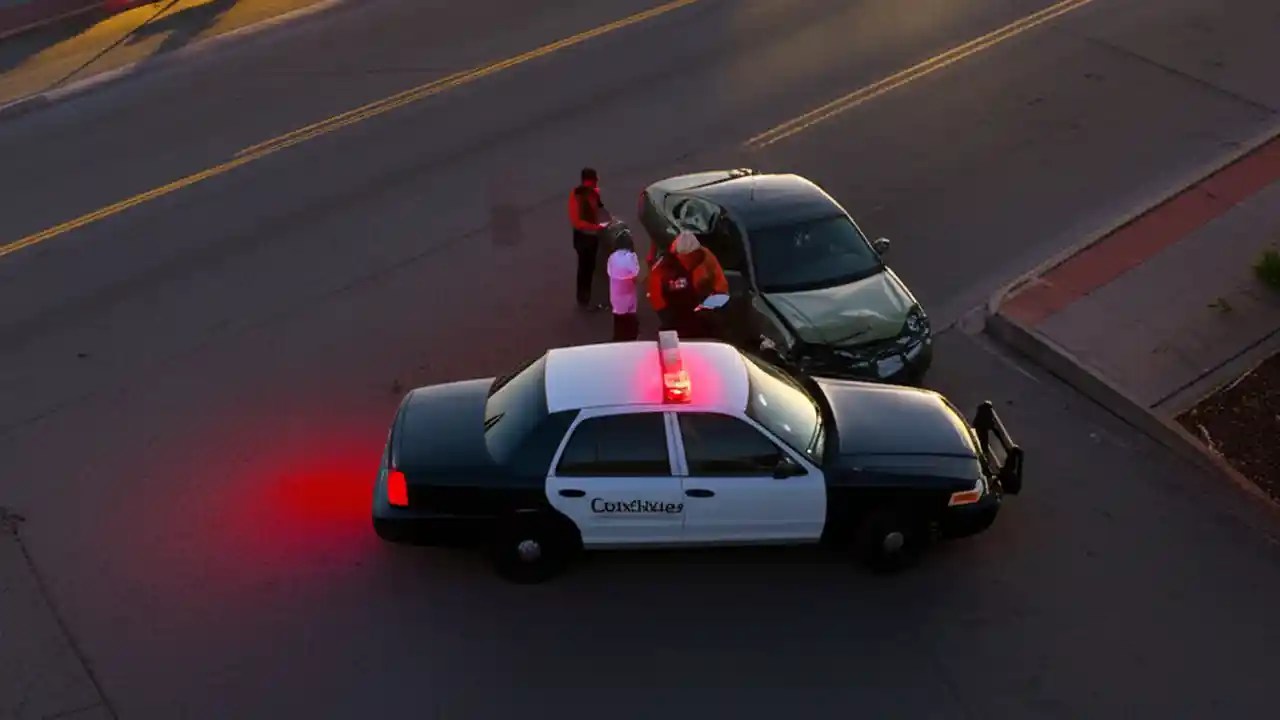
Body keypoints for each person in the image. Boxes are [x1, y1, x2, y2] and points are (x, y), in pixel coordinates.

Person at [647, 230, 729, 339]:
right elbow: (654, 292)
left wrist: (709, 306)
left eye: (694, 256)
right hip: (675, 314)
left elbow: (721, 286)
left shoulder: (706, 256)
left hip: (702, 310)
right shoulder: (664, 266)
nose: (691, 260)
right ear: (679, 254)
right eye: (688, 257)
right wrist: (665, 314)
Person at [568, 167, 609, 310]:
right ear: (590, 180)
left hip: (594, 236)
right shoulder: (577, 195)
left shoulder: (594, 193)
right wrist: (596, 227)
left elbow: (601, 210)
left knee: (595, 267)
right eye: (595, 180)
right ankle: (584, 297)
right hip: (584, 238)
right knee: (585, 268)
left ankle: (594, 296)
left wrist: (609, 221)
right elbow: (577, 222)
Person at [606, 229, 641, 341]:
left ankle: (618, 337)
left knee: (619, 316)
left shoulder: (612, 257)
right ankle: (631, 336)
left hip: (616, 292)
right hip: (629, 291)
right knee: (630, 315)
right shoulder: (631, 257)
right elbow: (636, 273)